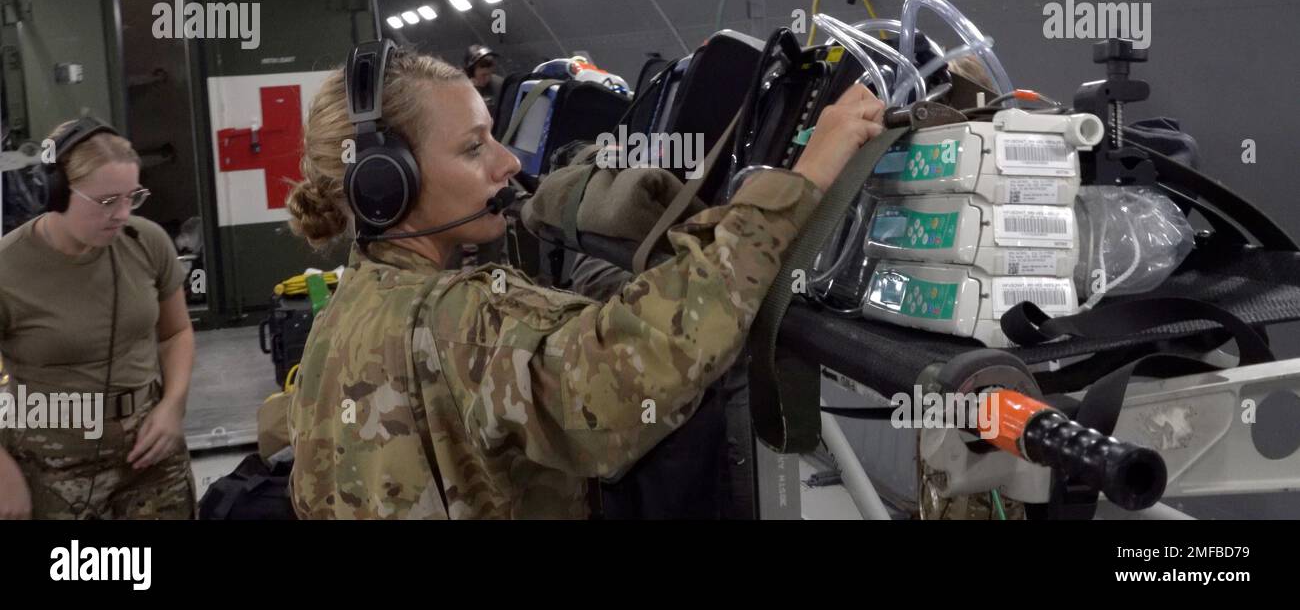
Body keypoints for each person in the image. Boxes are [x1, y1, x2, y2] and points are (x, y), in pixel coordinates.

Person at [285, 47, 886, 519]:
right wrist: (801, 181)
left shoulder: (349, 307)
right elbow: (630, 372)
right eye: (473, 148)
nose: (508, 162)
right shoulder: (451, 320)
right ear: (387, 188)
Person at [0, 118, 196, 520]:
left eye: (133, 197)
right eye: (107, 201)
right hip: (53, 464)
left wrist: (173, 405)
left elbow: (176, 332)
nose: (123, 214)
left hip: (149, 454)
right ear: (56, 193)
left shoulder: (147, 242)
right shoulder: (8, 269)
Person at [464, 43, 505, 120]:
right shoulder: (457, 88)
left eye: (490, 73)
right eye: (483, 75)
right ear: (470, 73)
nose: (488, 78)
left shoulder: (499, 85)